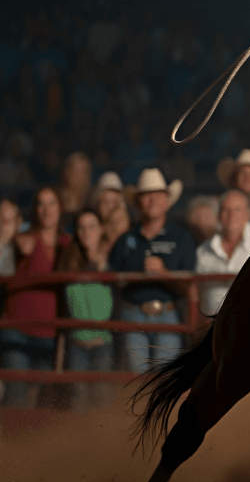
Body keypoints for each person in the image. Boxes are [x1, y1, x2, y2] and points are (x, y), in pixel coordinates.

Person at [107, 169, 197, 375]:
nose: (152, 200)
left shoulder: (182, 238)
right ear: (138, 202)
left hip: (168, 314)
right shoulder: (125, 240)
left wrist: (164, 273)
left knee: (165, 378)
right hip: (132, 314)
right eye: (146, 195)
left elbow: (191, 287)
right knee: (136, 379)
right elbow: (112, 280)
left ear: (166, 201)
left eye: (157, 195)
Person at [1, 187, 68, 408]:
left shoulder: (67, 244)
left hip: (48, 334)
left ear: (60, 208)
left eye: (51, 203)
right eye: (40, 204)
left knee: (43, 401)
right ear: (35, 210)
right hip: (17, 329)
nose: (46, 209)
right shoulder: (23, 240)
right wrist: (12, 239)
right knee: (17, 397)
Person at [56, 208, 115, 412]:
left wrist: (104, 267)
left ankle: (103, 433)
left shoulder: (111, 260)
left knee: (102, 396)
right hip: (77, 343)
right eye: (81, 227)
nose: (86, 232)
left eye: (91, 226)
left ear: (101, 229)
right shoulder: (68, 261)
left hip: (103, 343)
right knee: (78, 397)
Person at [196, 190, 250, 316]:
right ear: (219, 215)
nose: (232, 215)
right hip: (213, 322)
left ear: (247, 214)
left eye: (237, 209)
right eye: (226, 210)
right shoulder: (204, 250)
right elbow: (198, 292)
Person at [57, 151, 92, 226]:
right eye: (76, 170)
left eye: (83, 172)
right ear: (66, 172)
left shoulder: (91, 200)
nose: (79, 176)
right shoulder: (56, 198)